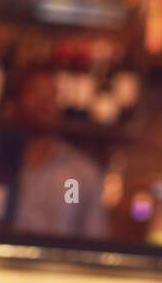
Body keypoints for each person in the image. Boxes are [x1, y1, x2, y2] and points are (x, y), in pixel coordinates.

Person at [6, 64, 108, 239]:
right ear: (14, 102)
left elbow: (88, 233)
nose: (44, 101)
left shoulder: (75, 176)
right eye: (35, 93)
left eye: (52, 94)